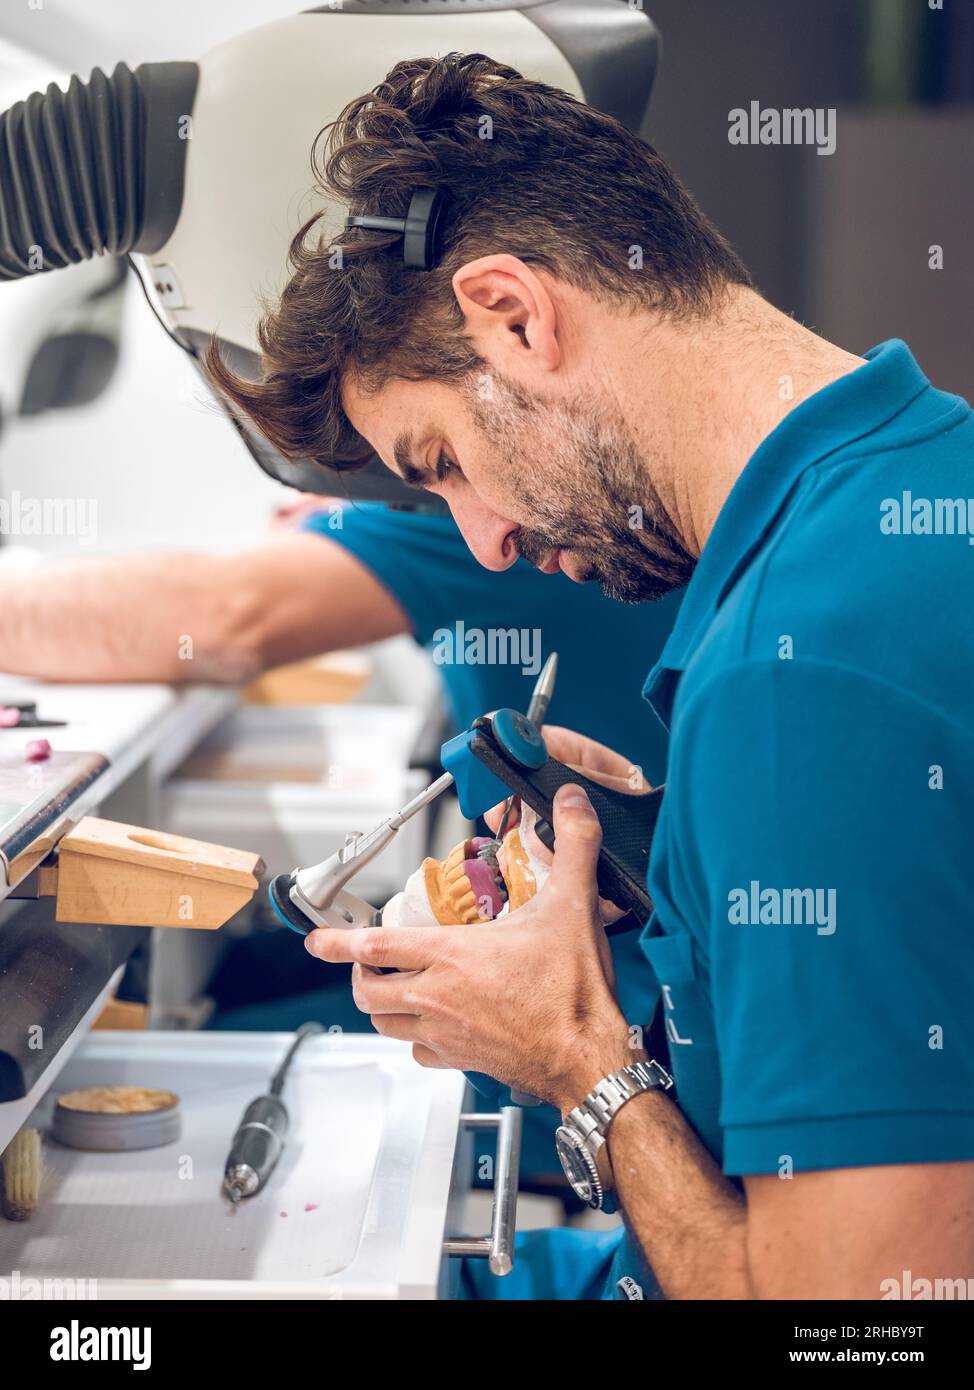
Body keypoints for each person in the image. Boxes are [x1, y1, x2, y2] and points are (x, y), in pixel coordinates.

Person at [207, 53, 974, 1300]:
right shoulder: (910, 471)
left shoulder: (804, 684)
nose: (482, 541)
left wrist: (578, 1057)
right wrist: (667, 867)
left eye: (440, 459)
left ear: (514, 314)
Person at [0, 498, 680, 1186]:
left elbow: (221, 617)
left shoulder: (484, 500)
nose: (491, 543)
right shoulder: (513, 490)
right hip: (640, 944)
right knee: (235, 983)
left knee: (189, 1080)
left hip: (623, 1007)